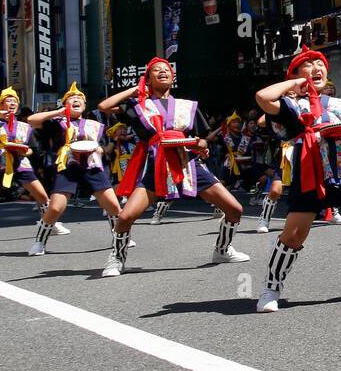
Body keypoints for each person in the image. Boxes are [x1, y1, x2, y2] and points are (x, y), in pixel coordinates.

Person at [253, 48, 341, 312]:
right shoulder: (292, 106)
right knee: (293, 236)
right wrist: (295, 84)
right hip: (309, 175)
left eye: (320, 64)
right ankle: (271, 288)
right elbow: (263, 97)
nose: (316, 69)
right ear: (296, 74)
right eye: (307, 65)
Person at [97, 57, 247, 277]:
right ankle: (117, 258)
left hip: (188, 163)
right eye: (155, 71)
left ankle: (222, 250)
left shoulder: (187, 106)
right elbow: (104, 106)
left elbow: (203, 139)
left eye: (166, 70)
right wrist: (135, 90)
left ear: (173, 77)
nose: (162, 72)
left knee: (235, 209)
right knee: (126, 217)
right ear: (147, 78)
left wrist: (199, 145)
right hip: (155, 163)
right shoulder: (138, 106)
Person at [25, 83, 122, 255]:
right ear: (64, 103)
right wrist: (59, 112)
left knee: (113, 205)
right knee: (55, 207)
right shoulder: (56, 123)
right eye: (71, 98)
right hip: (68, 165)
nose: (76, 100)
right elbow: (31, 120)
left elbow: (101, 147)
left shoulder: (94, 125)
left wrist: (99, 149)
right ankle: (40, 240)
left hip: (92, 164)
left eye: (80, 99)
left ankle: (121, 236)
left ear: (84, 106)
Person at [0, 88, 64, 243]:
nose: (12, 103)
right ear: (1, 104)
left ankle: (51, 224)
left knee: (42, 196)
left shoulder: (24, 126)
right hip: (0, 161)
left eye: (15, 101)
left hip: (21, 162)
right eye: (8, 100)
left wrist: (24, 152)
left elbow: (32, 149)